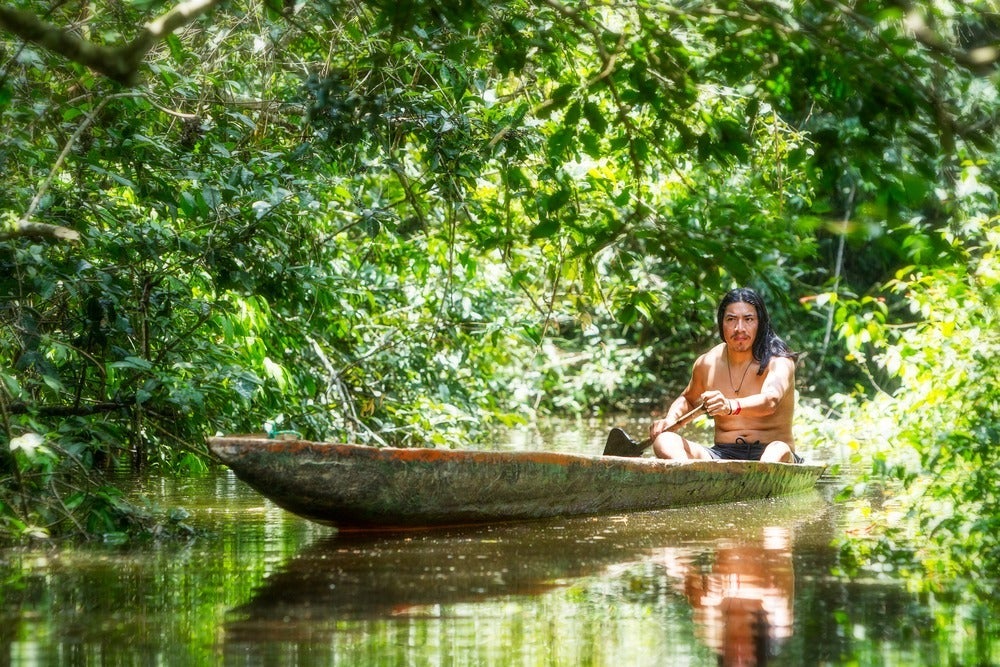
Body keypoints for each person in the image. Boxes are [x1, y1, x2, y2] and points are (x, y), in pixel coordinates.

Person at [649, 287, 802, 463]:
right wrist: (671, 420)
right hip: (722, 454)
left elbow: (770, 401)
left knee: (777, 451)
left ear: (760, 323)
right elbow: (688, 400)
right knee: (664, 441)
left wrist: (730, 406)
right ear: (722, 323)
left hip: (771, 450)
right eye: (731, 319)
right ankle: (689, 476)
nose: (739, 328)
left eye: (748, 319)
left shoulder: (779, 360)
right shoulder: (707, 362)